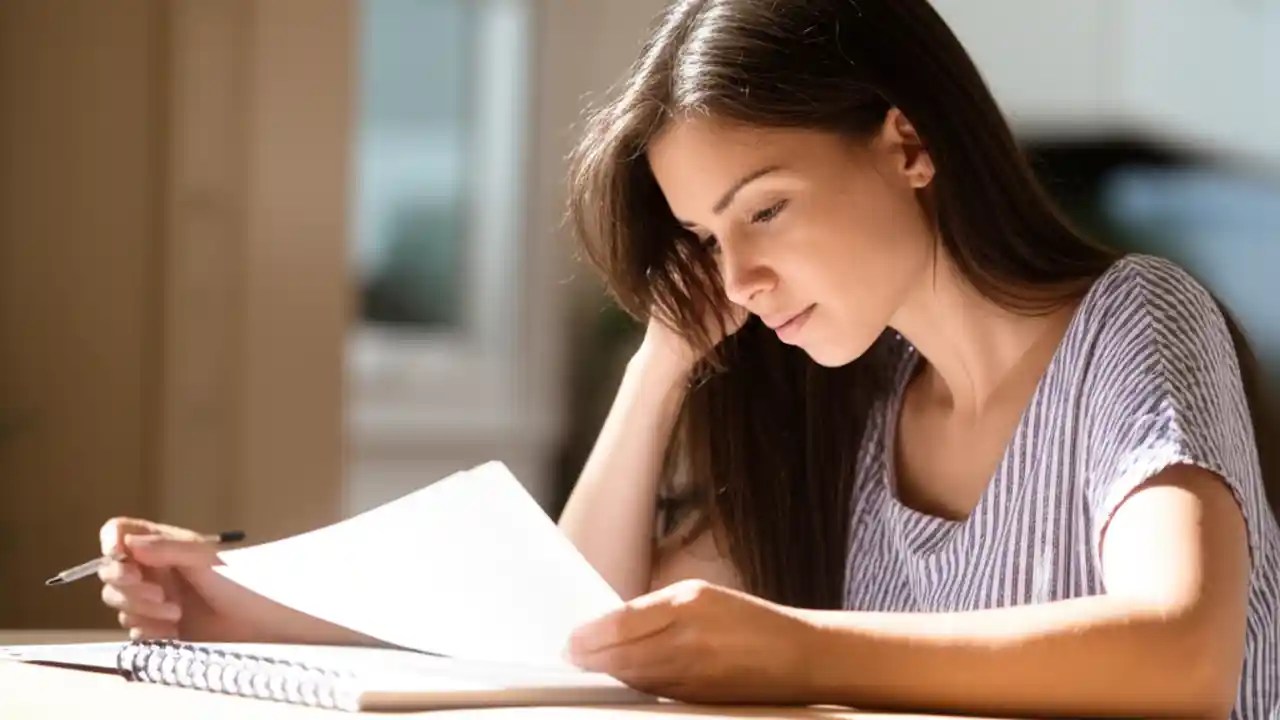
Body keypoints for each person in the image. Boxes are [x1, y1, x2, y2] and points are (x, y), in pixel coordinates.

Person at [97, 0, 1278, 717]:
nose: (739, 278)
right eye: (709, 238)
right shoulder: (849, 409)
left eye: (763, 209)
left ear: (907, 144)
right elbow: (580, 621)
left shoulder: (1134, 322)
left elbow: (1177, 653)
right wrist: (657, 364)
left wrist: (796, 649)